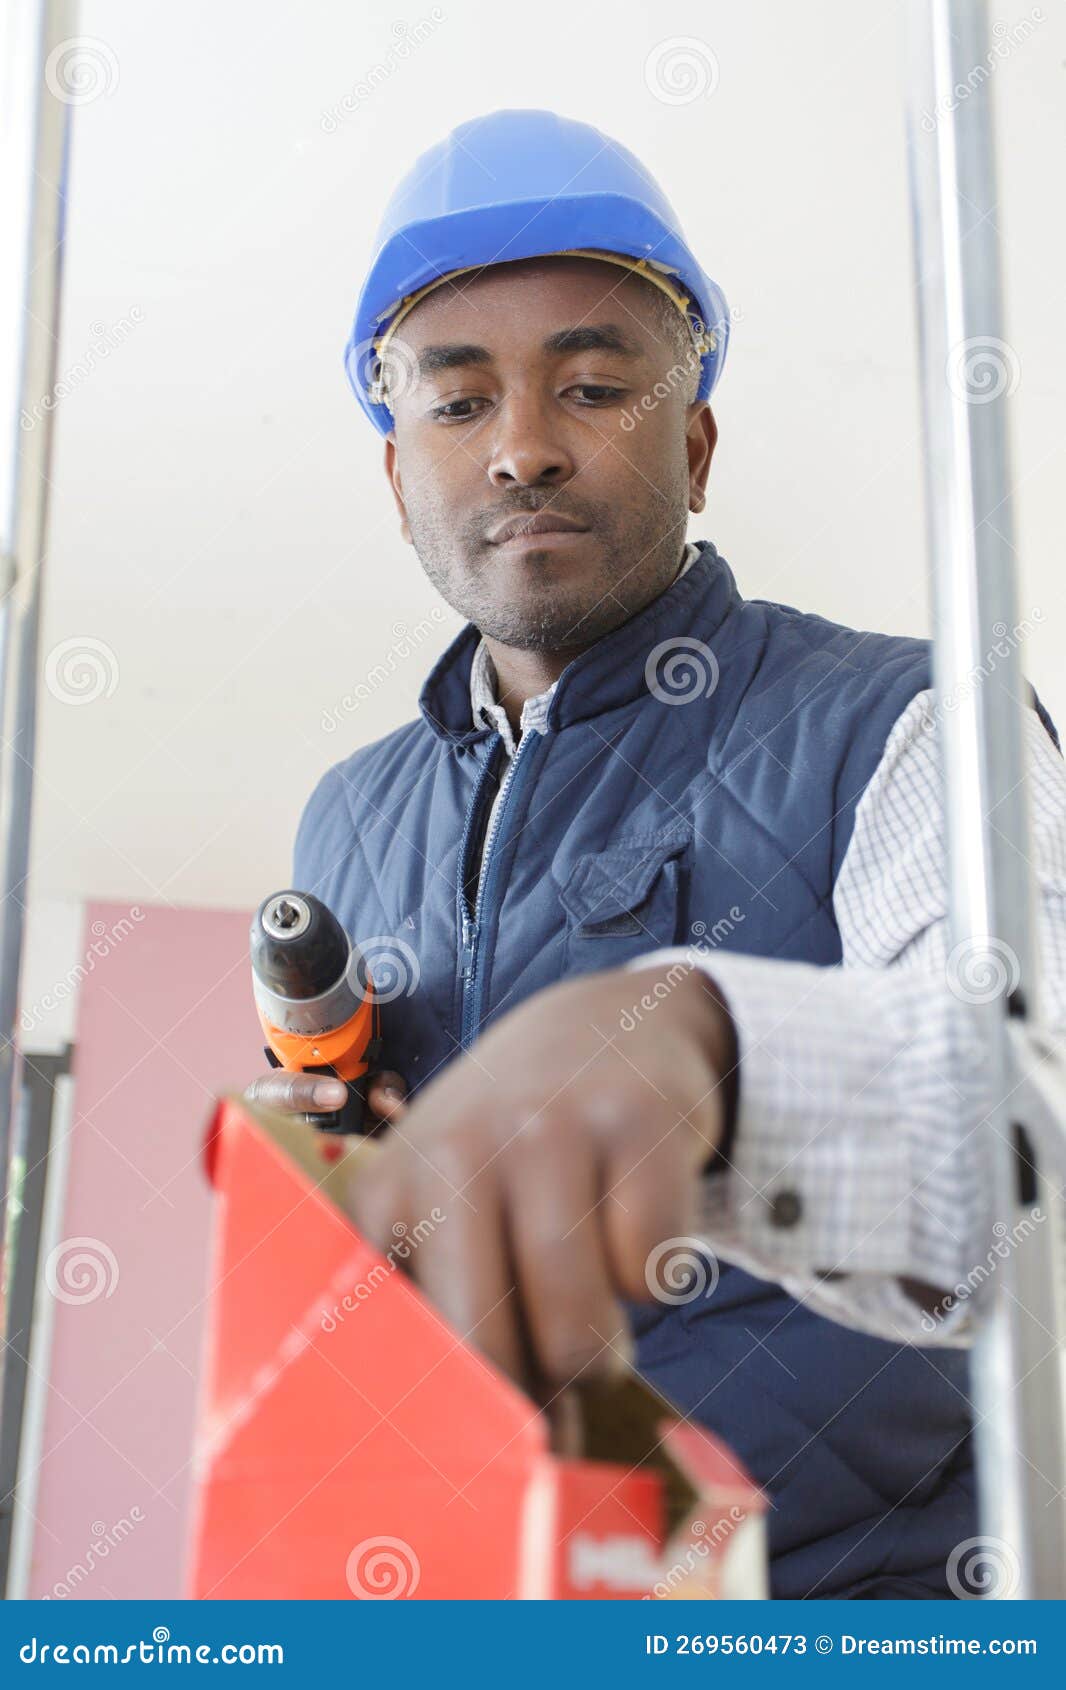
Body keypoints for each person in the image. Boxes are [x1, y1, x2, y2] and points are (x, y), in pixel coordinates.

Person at [246, 109, 1066, 1598]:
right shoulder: (343, 816)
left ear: (692, 443)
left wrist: (710, 1041)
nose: (523, 448)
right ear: (395, 475)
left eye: (594, 385)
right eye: (457, 401)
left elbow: (1028, 1122)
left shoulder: (911, 718)